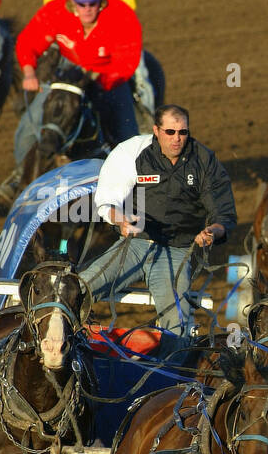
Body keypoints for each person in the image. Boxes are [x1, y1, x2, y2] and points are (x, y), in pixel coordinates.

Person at [79, 104, 236, 359]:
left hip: (176, 251)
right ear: (156, 130)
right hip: (136, 243)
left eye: (183, 132)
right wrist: (121, 221)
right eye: (170, 131)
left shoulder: (204, 161)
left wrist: (211, 232)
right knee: (79, 288)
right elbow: (108, 201)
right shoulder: (134, 152)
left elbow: (223, 214)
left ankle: (168, 382)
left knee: (178, 324)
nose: (177, 138)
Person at [15, 0, 144, 149]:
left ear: (101, 1)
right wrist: (29, 73)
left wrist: (98, 81)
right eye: (82, 4)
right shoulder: (56, 11)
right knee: (29, 128)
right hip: (67, 74)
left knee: (127, 135)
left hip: (107, 76)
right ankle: (21, 174)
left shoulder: (121, 15)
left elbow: (127, 61)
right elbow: (28, 42)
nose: (87, 9)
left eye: (93, 3)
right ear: (73, 2)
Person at [42, 0, 155, 119]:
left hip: (111, 38)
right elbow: (52, 13)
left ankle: (147, 120)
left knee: (140, 73)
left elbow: (127, 13)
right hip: (72, 38)